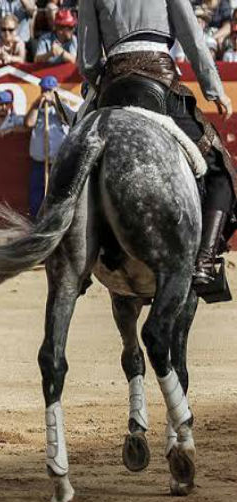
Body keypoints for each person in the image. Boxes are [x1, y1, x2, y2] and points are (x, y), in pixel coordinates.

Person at [78, 0, 236, 289]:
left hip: (113, 86)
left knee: (74, 157)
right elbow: (192, 38)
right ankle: (204, 261)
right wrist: (214, 89)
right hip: (157, 81)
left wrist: (98, 81)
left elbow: (87, 62)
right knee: (220, 166)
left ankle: (69, 257)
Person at [24, 76, 73, 219]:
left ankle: (57, 221)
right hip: (40, 162)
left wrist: (55, 103)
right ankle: (37, 222)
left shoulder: (64, 106)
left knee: (59, 193)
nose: (46, 94)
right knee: (37, 194)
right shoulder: (37, 109)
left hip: (59, 161)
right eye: (44, 90)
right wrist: (35, 105)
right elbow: (28, 123)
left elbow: (67, 119)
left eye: (50, 90)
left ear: (55, 90)